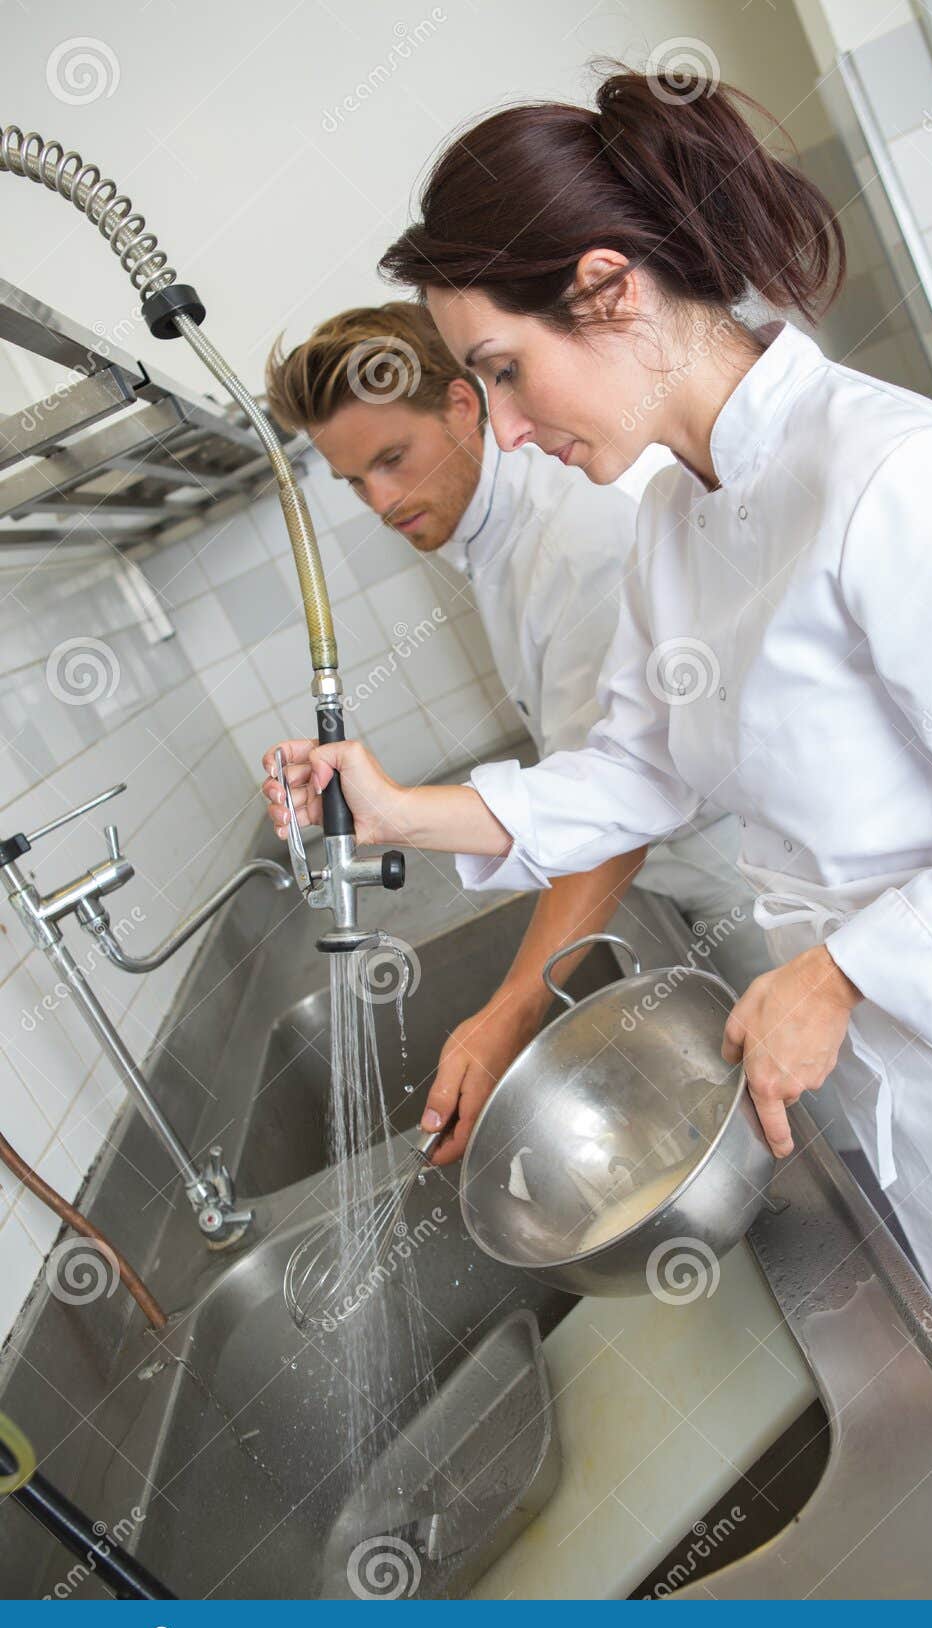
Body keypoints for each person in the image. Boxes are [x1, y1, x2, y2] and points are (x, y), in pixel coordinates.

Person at [262, 71, 932, 1489]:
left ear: (609, 291)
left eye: (501, 370)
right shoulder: (676, 523)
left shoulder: (889, 478)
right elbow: (634, 768)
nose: (498, 428)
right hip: (898, 1088)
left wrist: (838, 974)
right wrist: (398, 810)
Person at [264, 302, 765, 1165]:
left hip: (746, 891)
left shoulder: (574, 544)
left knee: (837, 1167)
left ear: (463, 407)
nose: (380, 501)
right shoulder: (495, 534)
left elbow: (620, 807)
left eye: (392, 460)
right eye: (353, 481)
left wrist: (510, 1011)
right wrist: (387, 810)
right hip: (692, 879)